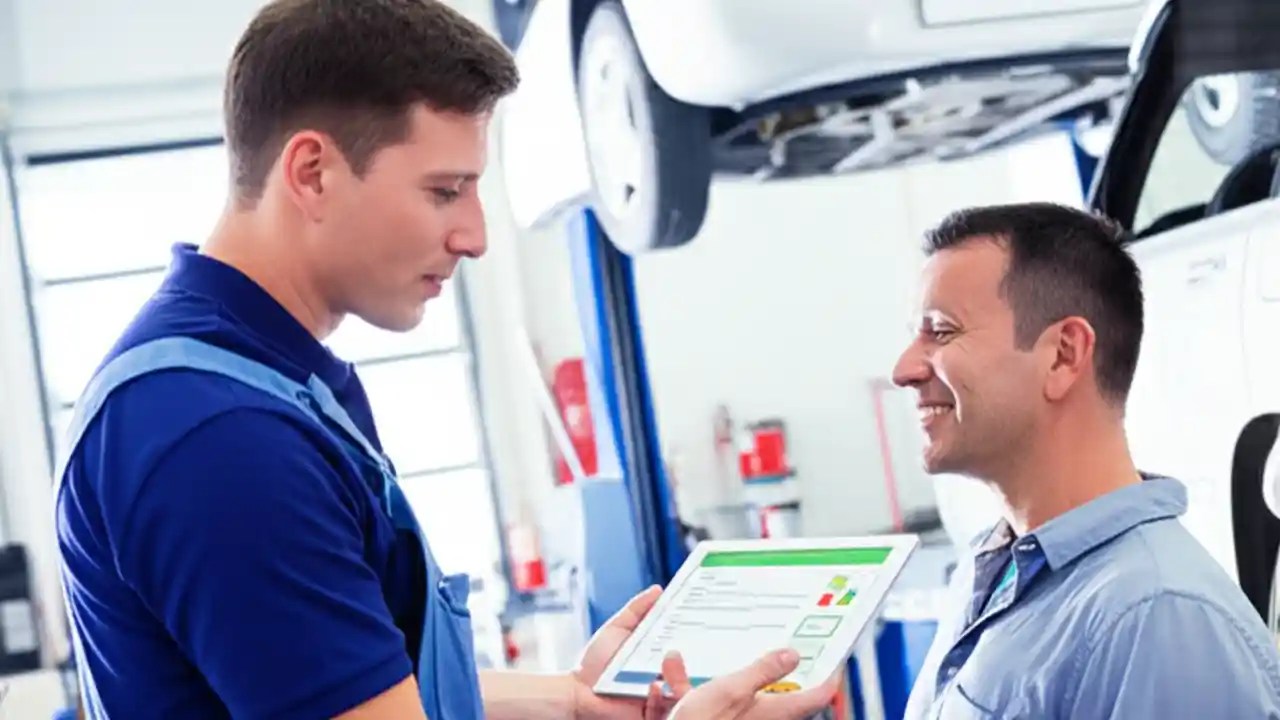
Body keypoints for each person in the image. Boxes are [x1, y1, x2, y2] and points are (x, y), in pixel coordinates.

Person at [51, 1, 835, 718]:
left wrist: (572, 699)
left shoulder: (263, 384)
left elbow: (354, 674)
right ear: (312, 173)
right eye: (444, 191)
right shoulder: (217, 437)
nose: (476, 235)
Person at [892, 202, 1280, 718]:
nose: (904, 369)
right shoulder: (993, 571)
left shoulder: (1157, 619)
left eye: (941, 331)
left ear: (1063, 355)